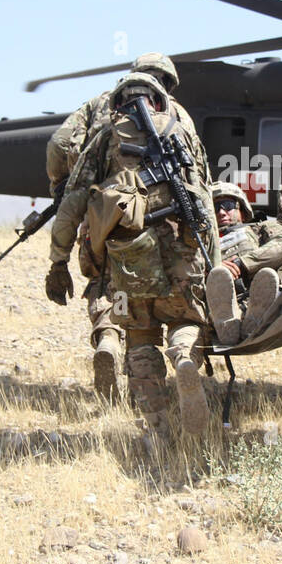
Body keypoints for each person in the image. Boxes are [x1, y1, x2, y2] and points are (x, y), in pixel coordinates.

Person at [45, 66, 218, 445]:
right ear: (161, 97)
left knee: (139, 336)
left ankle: (156, 425)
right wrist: (215, 263)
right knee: (185, 318)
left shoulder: (107, 135)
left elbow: (73, 203)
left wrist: (58, 262)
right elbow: (204, 193)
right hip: (184, 247)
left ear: (119, 101)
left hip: (129, 256)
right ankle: (184, 357)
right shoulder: (183, 130)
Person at [43, 53, 186, 402]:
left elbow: (59, 145)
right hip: (167, 228)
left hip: (107, 221)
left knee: (108, 288)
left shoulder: (100, 108)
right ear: (166, 82)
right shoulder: (178, 117)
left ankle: (107, 336)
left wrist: (62, 187)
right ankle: (182, 356)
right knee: (165, 302)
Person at [204, 181, 282, 346]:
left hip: (261, 290)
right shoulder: (202, 243)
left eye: (228, 205)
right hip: (219, 301)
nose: (222, 212)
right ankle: (231, 323)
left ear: (242, 211)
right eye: (215, 208)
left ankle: (249, 319)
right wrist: (213, 269)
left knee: (268, 279)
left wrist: (242, 264)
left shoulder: (259, 228)